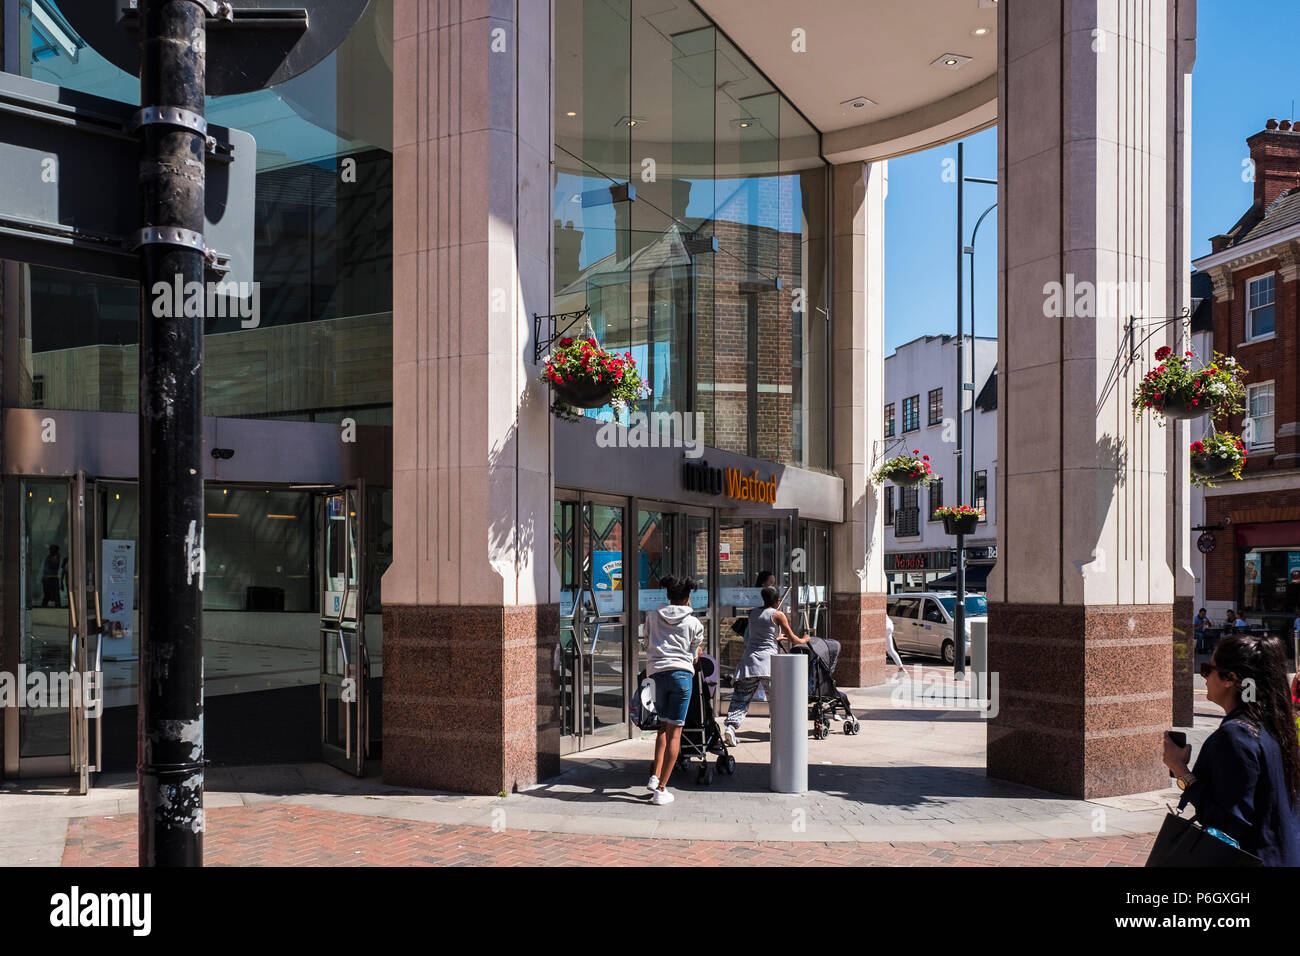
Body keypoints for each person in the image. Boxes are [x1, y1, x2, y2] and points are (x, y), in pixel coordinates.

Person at [1162, 634, 1300, 866]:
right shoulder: (1276, 725)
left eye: (1207, 669)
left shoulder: (1236, 736)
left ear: (1230, 679)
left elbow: (1228, 823)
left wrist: (1180, 769)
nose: (1203, 677)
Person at [722, 586, 811, 746]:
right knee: (776, 699)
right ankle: (777, 727)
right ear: (777, 600)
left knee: (741, 698)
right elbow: (793, 638)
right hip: (768, 664)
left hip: (749, 662)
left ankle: (731, 727)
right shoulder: (778, 614)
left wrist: (775, 637)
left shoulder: (753, 612)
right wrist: (805, 639)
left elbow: (759, 634)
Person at [644, 575, 705, 806]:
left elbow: (646, 642)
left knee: (661, 726)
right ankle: (661, 789)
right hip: (681, 676)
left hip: (656, 675)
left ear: (667, 595)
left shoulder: (651, 617)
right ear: (688, 598)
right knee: (675, 733)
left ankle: (655, 774)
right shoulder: (694, 624)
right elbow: (693, 653)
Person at [885, 612, 906, 680]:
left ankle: (901, 669)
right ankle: (901, 668)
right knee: (890, 649)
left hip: (885, 625)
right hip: (888, 624)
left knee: (887, 649)